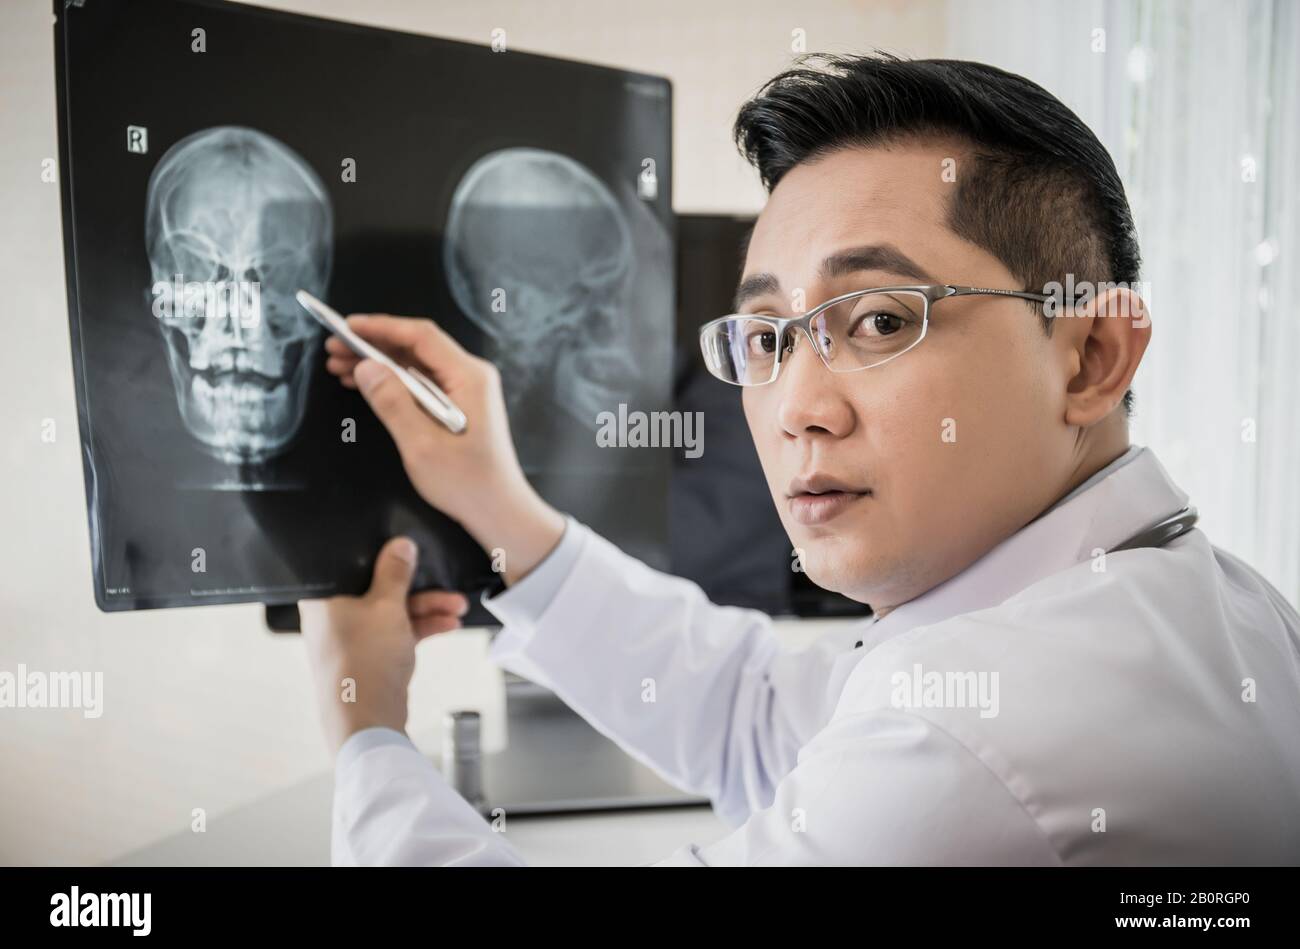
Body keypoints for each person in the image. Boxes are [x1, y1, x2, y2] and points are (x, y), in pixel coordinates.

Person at [299, 54, 1300, 865]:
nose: (796, 411)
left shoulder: (981, 743)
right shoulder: (1216, 602)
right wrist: (503, 515)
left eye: (875, 319)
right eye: (767, 337)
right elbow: (757, 713)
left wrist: (367, 732)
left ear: (1088, 356)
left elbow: (917, 749)